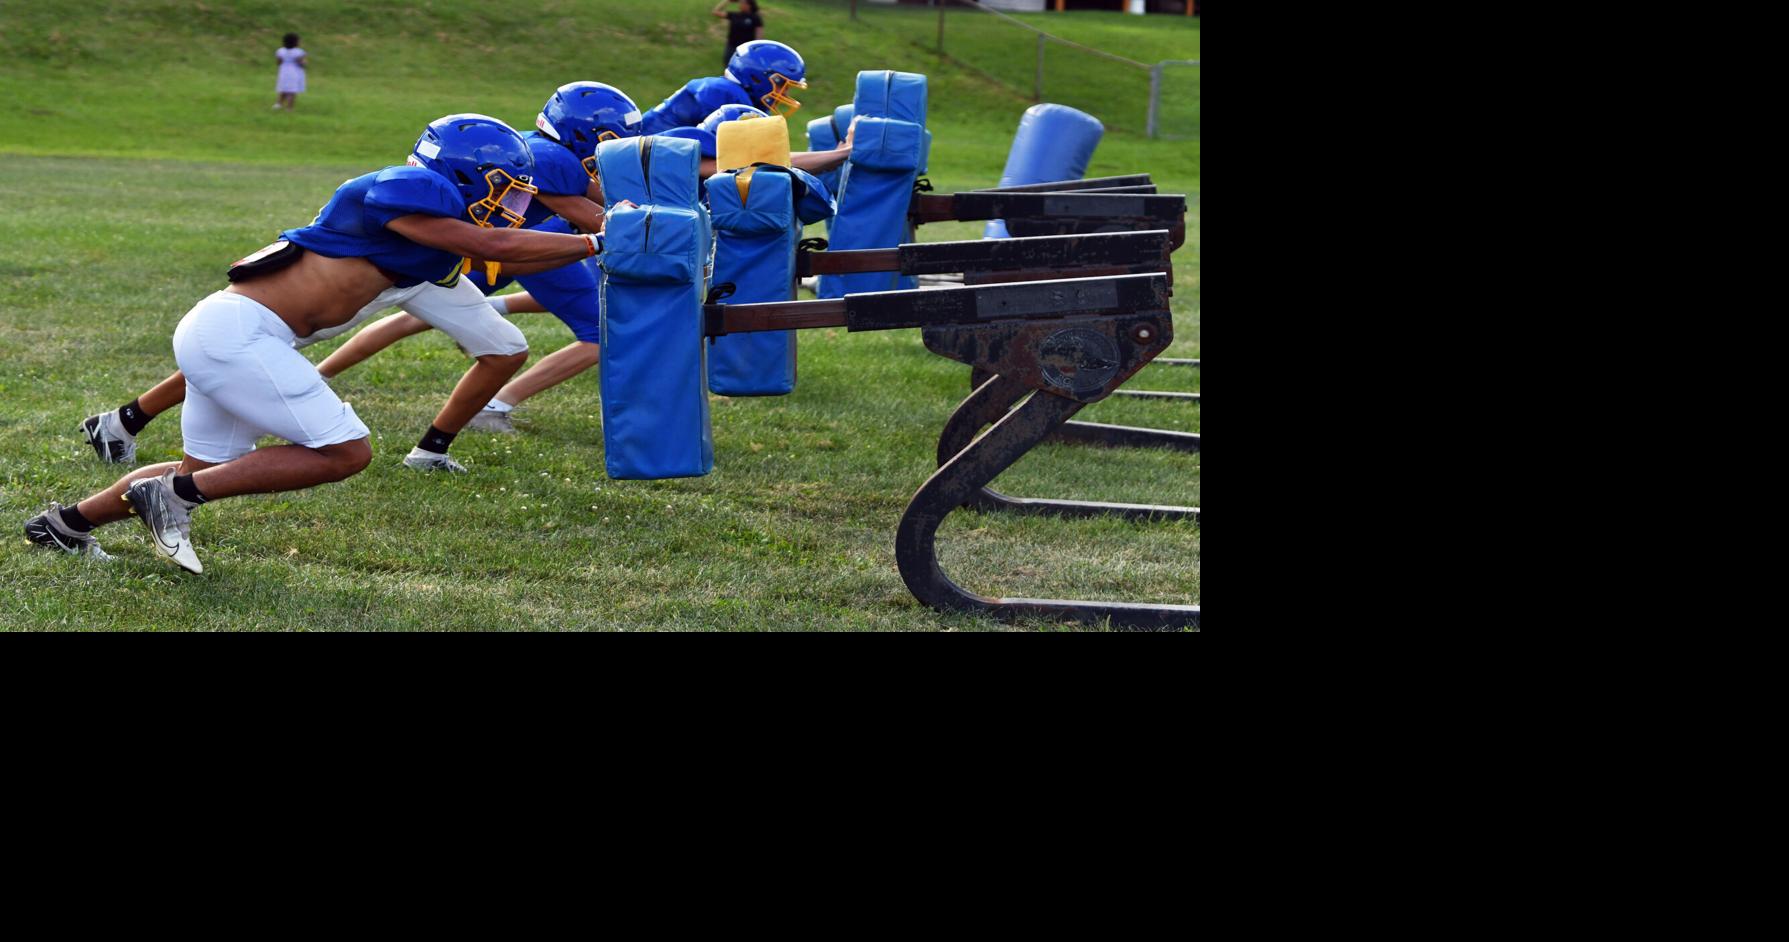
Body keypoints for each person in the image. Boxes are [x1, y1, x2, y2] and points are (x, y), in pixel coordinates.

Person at [33, 114, 602, 572]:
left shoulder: (438, 226)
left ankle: (65, 525)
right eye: (504, 186)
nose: (513, 201)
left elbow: (490, 246)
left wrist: (597, 239)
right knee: (346, 452)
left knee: (198, 467)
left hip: (237, 332)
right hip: (240, 332)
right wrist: (593, 242)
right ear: (461, 171)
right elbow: (485, 240)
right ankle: (174, 496)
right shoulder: (410, 188)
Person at [300, 82, 641, 436]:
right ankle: (496, 405)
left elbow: (605, 202)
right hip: (504, 244)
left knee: (418, 314)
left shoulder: (541, 151)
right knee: (597, 332)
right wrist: (642, 224)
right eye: (614, 138)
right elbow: (604, 220)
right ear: (589, 133)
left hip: (475, 247)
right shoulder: (555, 161)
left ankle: (322, 376)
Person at [638, 39, 808, 133]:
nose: (785, 93)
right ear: (756, 77)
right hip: (646, 161)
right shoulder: (725, 93)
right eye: (782, 85)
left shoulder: (729, 90)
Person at [713, 0, 764, 68]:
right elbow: (715, 12)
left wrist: (755, 50)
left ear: (749, 5)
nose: (740, 4)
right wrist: (728, 1)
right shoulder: (735, 15)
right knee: (728, 67)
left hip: (745, 50)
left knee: (742, 69)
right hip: (731, 46)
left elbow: (759, 36)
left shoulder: (755, 18)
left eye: (742, 2)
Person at [274, 33, 306, 111]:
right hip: (295, 72)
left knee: (283, 88)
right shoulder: (298, 52)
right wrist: (304, 63)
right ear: (295, 42)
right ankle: (289, 107)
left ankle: (278, 104)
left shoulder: (280, 51)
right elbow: (301, 63)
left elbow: (278, 62)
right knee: (292, 90)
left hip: (283, 71)